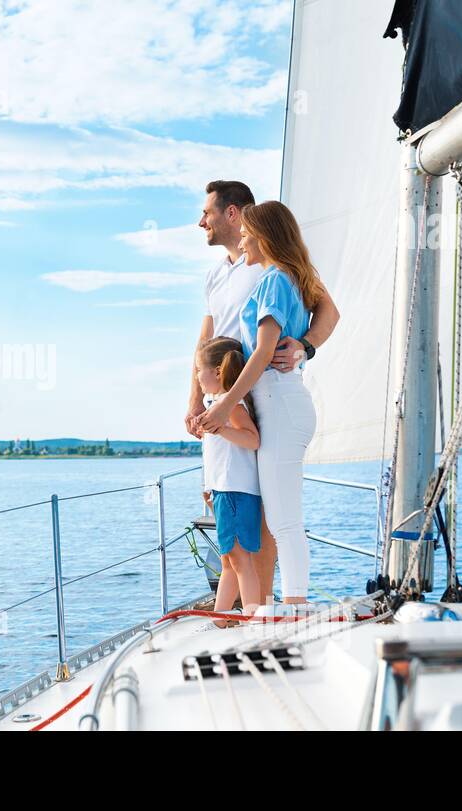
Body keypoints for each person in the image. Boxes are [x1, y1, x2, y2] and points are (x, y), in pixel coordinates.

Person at [186, 180, 339, 607]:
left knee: (271, 513)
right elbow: (204, 342)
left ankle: (266, 603)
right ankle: (247, 606)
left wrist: (305, 346)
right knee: (230, 498)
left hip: (255, 396)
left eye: (208, 213)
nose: (202, 222)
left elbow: (329, 311)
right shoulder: (217, 276)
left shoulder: (274, 268)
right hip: (226, 398)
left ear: (234, 214)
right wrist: (197, 400)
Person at [195, 336, 262, 614]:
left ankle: (252, 616)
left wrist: (220, 428)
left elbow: (252, 440)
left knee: (240, 560)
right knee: (228, 561)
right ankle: (221, 617)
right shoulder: (218, 405)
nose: (197, 377)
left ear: (217, 372)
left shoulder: (230, 406)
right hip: (225, 492)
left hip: (235, 491)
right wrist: (212, 493)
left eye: (200, 370)